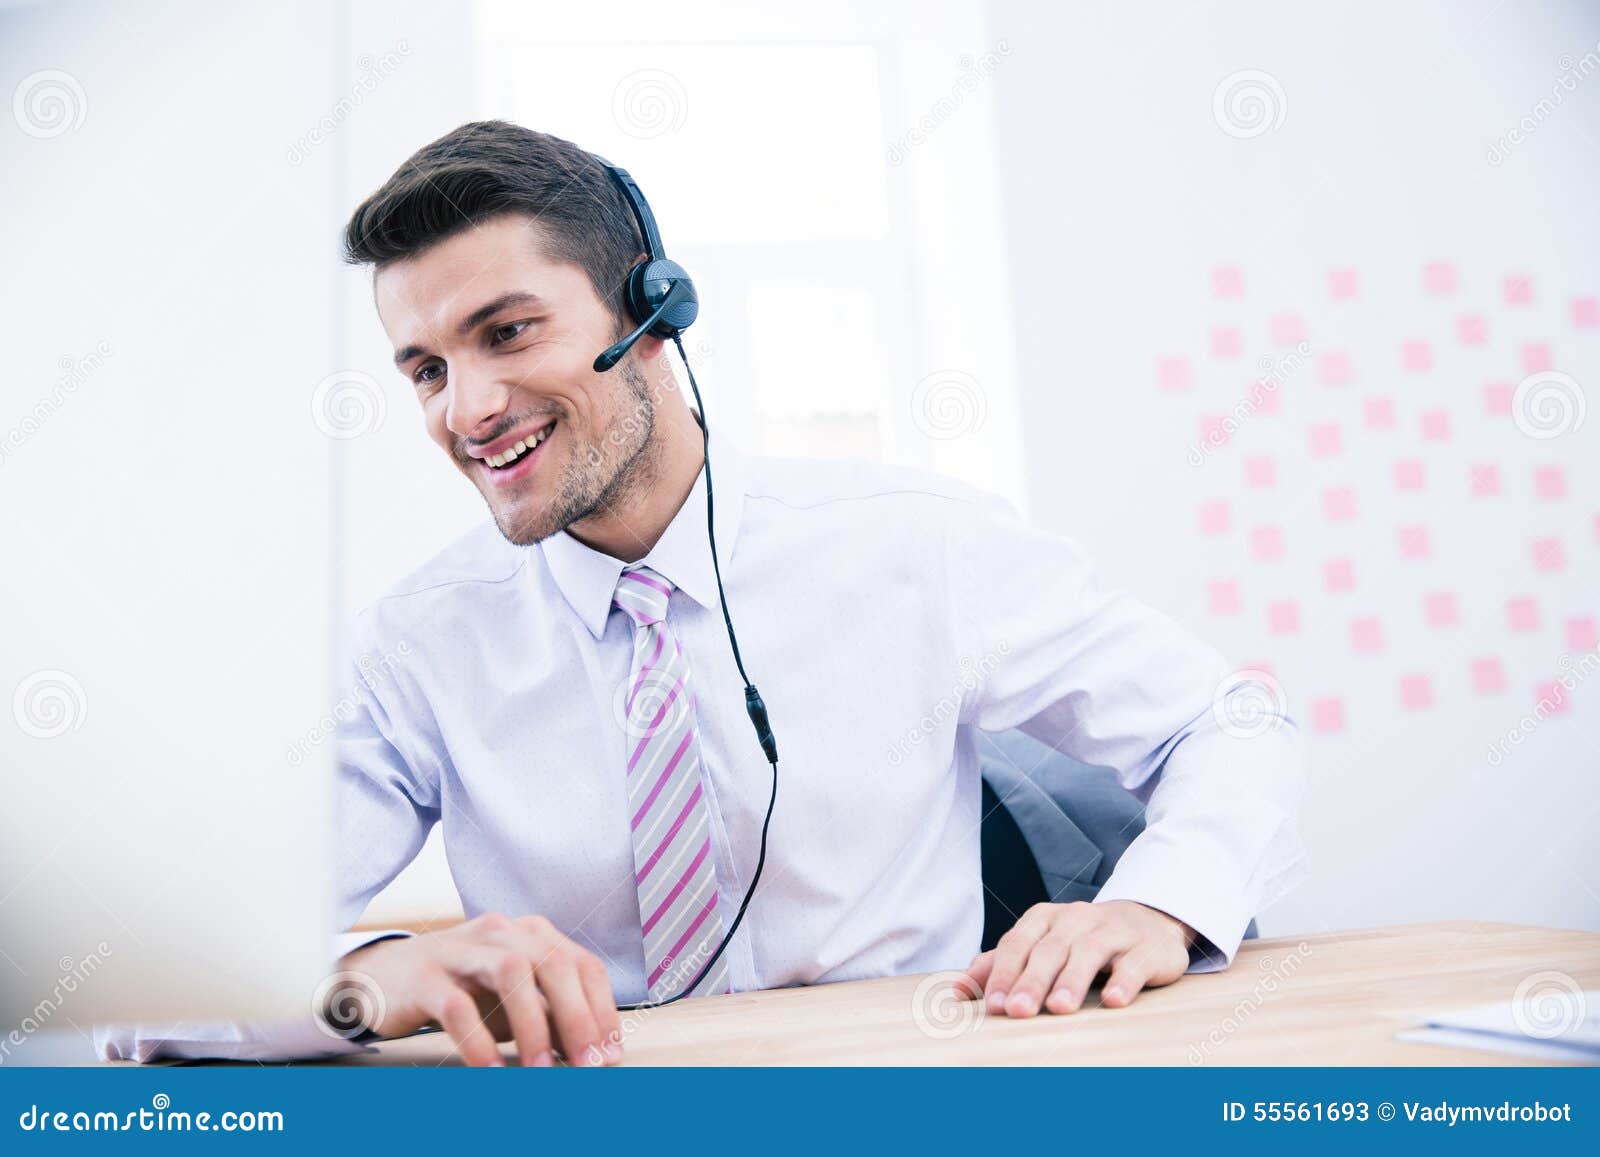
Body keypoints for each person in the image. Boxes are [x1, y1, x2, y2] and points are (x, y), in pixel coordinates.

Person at [102, 119, 1306, 1067]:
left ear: (652, 311)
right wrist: (369, 972)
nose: (465, 411)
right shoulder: (418, 643)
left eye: (507, 332)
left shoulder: (912, 544)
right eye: (426, 369)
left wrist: (1159, 905)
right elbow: (155, 966)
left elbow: (1229, 721)